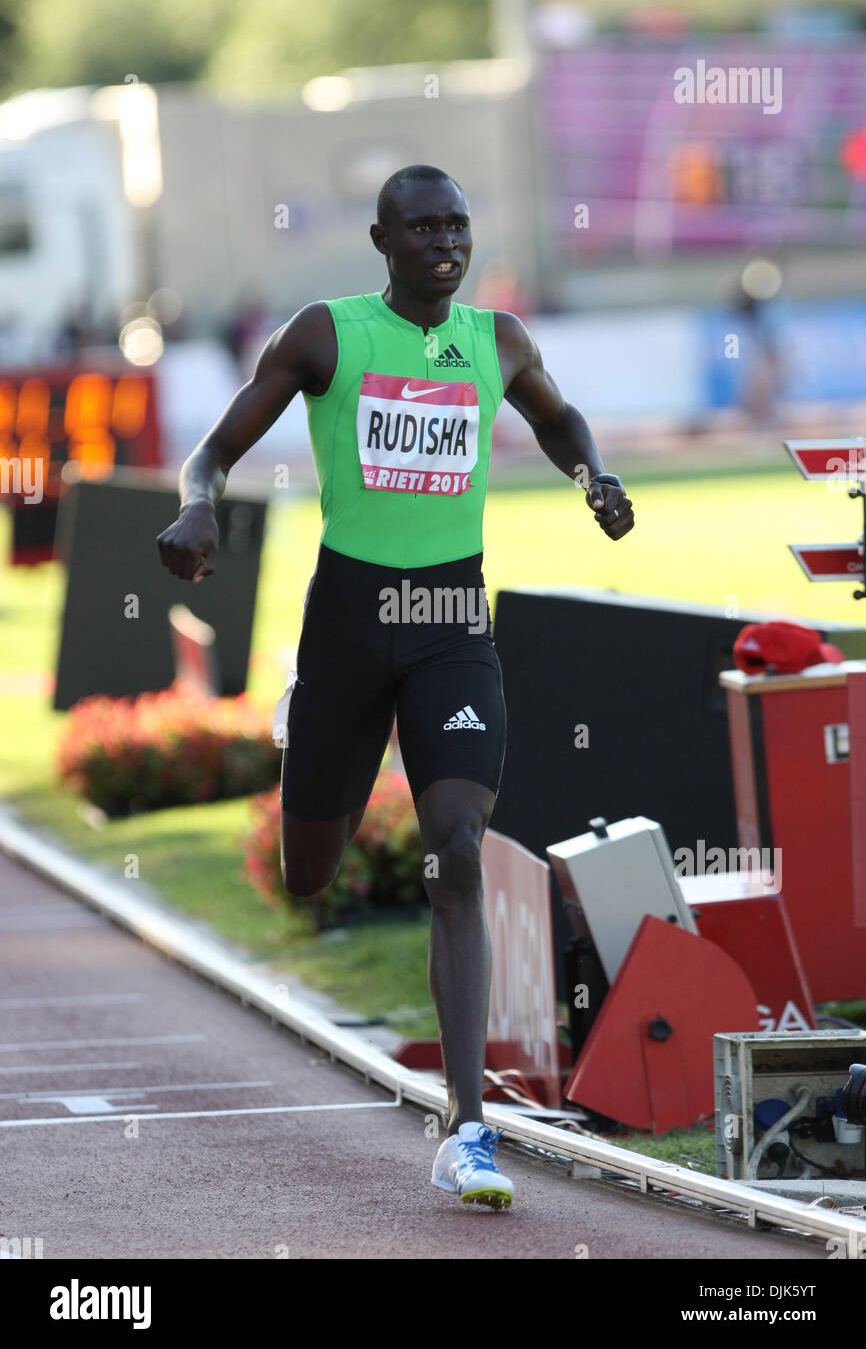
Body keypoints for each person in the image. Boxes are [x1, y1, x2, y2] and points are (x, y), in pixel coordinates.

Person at [156, 164, 634, 1211]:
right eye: (421, 227)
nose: (444, 242)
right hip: (347, 626)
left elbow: (559, 419)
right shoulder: (325, 335)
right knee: (308, 875)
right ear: (381, 240)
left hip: (451, 626)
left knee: (455, 849)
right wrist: (198, 511)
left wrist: (587, 474)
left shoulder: (497, 342)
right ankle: (307, 734)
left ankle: (466, 1127)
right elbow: (213, 450)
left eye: (456, 224)